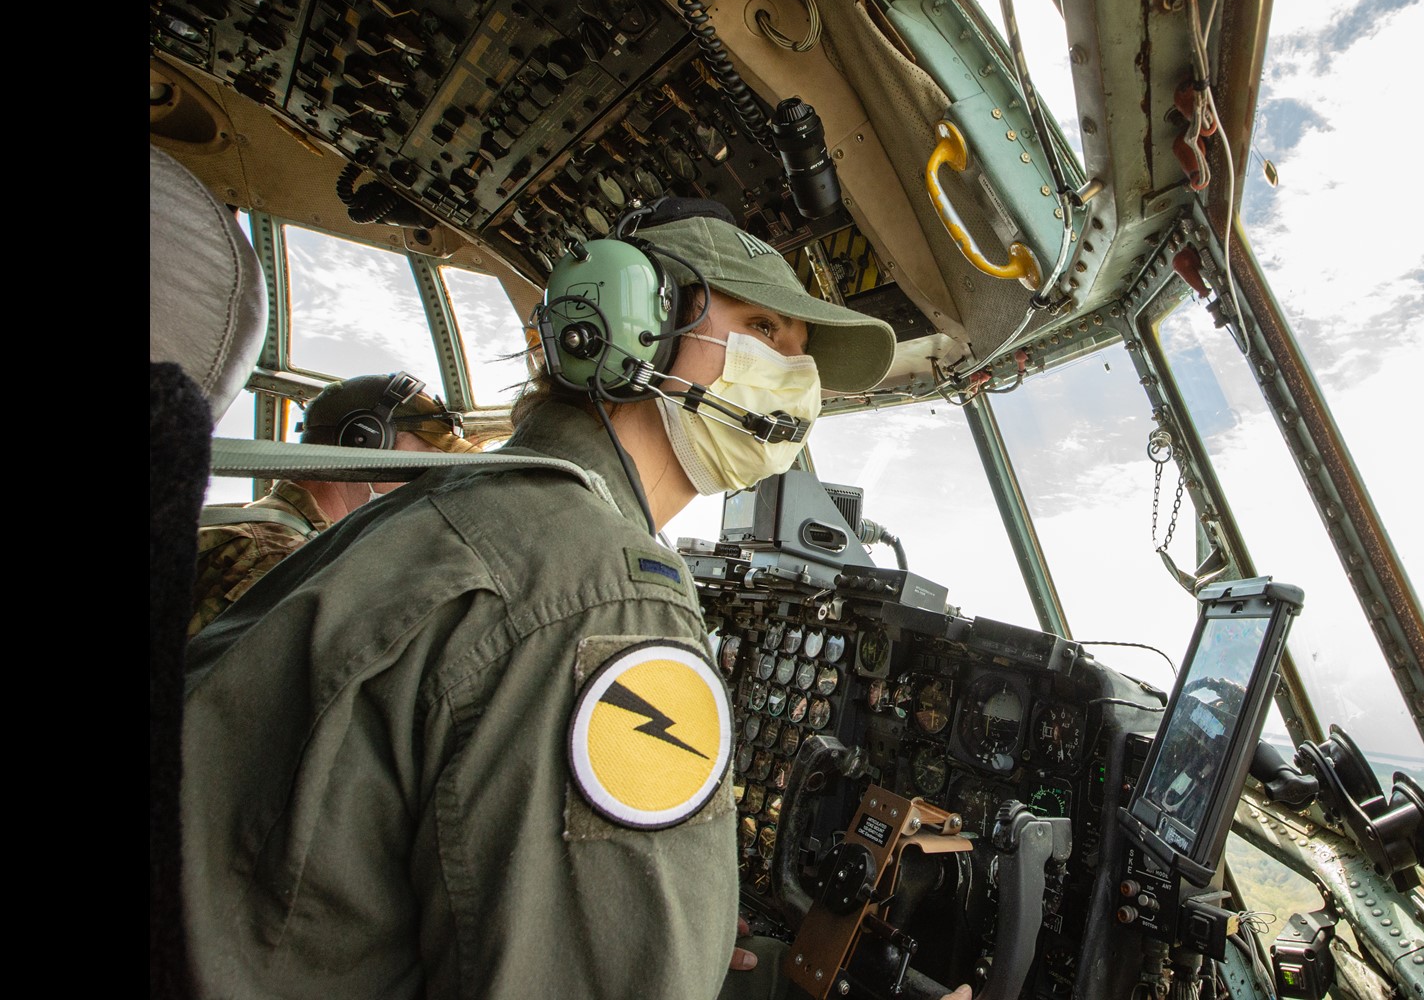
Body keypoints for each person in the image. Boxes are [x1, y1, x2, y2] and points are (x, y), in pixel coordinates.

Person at [179, 200, 931, 999]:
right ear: (629, 317)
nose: (794, 376)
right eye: (761, 330)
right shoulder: (607, 601)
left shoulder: (436, 510)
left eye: (800, 352)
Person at [187, 371, 479, 638]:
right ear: (363, 442)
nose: (428, 482)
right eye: (424, 463)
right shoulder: (284, 560)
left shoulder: (257, 527)